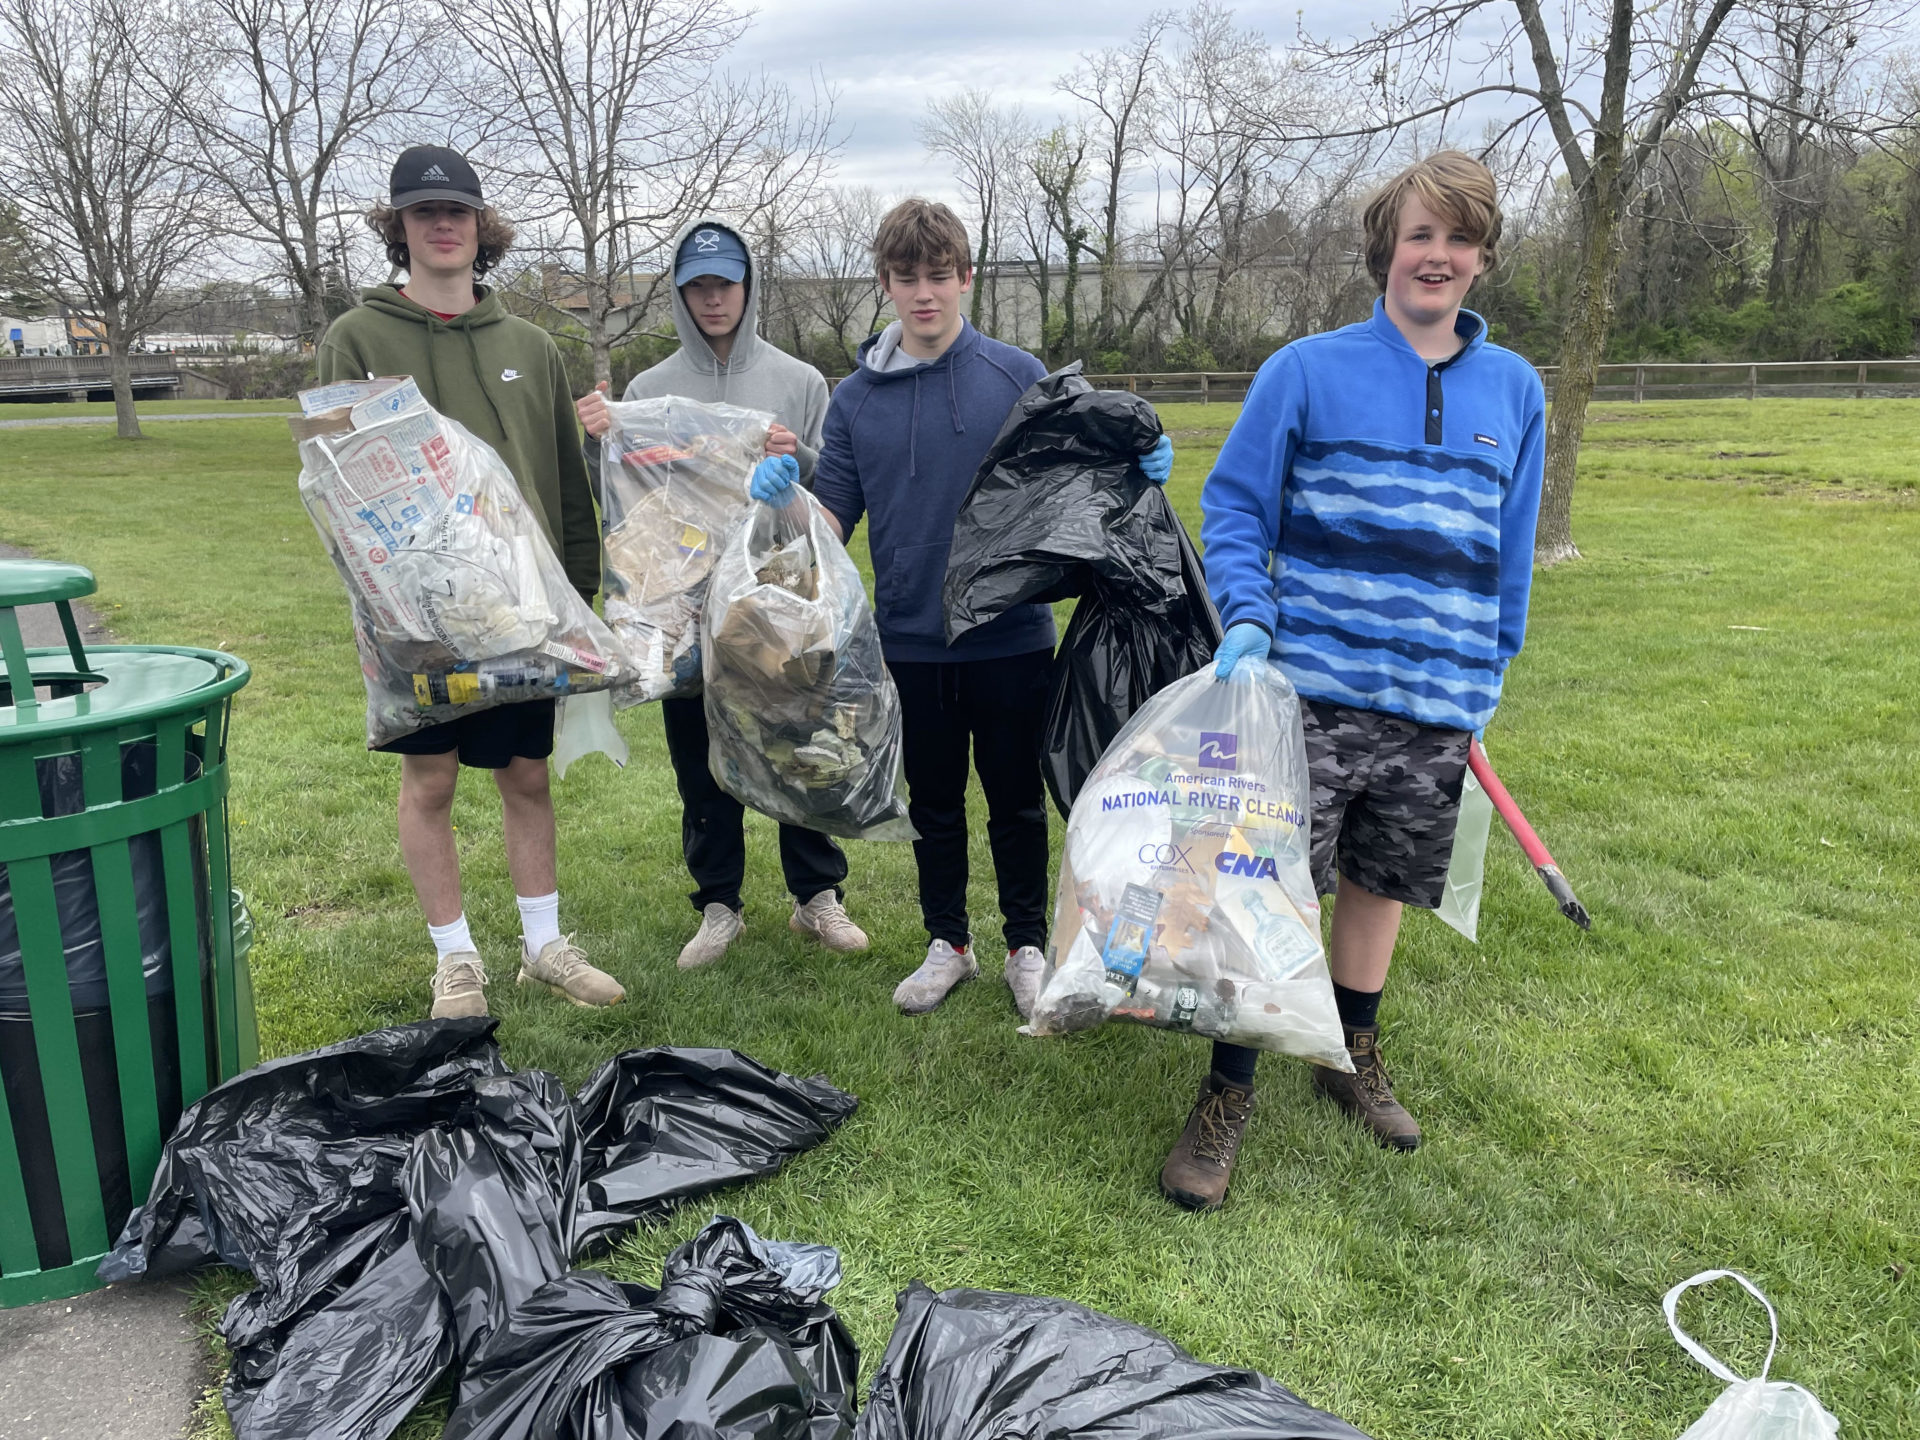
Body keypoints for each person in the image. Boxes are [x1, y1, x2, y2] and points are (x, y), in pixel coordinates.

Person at [1167, 151, 1545, 1209]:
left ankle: (1348, 1055)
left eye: (1459, 238)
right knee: (1269, 895)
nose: (1439, 255)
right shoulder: (1306, 370)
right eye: (1421, 235)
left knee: (1382, 886)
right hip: (1314, 693)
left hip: (1437, 701)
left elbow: (1509, 548)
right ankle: (1225, 1093)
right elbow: (1235, 505)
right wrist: (1247, 616)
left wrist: (1491, 667)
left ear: (1483, 257)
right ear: (1387, 248)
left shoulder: (1515, 390)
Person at [756, 198, 1173, 1017]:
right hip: (910, 642)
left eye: (939, 277)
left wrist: (1140, 463)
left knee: (1016, 802)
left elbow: (1077, 481)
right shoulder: (855, 401)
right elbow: (836, 519)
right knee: (935, 805)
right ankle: (948, 942)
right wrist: (788, 501)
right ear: (884, 283)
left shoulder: (1016, 375)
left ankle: (1025, 945)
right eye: (906, 278)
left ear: (966, 279)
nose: (924, 294)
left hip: (1012, 639)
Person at [317, 145, 624, 1020]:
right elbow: (335, 483)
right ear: (399, 227)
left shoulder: (530, 345)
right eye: (423, 213)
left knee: (527, 776)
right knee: (433, 783)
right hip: (414, 619)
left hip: (525, 611)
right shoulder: (358, 338)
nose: (442, 225)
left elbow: (567, 480)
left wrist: (579, 596)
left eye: (457, 211)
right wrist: (378, 609)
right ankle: (455, 960)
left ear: (482, 227)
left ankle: (544, 946)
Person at [575, 219, 867, 970]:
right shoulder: (647, 389)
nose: (713, 299)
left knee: (795, 742)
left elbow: (834, 490)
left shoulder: (799, 381)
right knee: (700, 756)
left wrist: (793, 456)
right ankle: (718, 905)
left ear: (749, 287)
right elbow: (625, 493)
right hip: (683, 601)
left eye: (725, 284)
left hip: (777, 596)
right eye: (697, 286)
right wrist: (597, 436)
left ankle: (817, 896)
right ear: (679, 294)